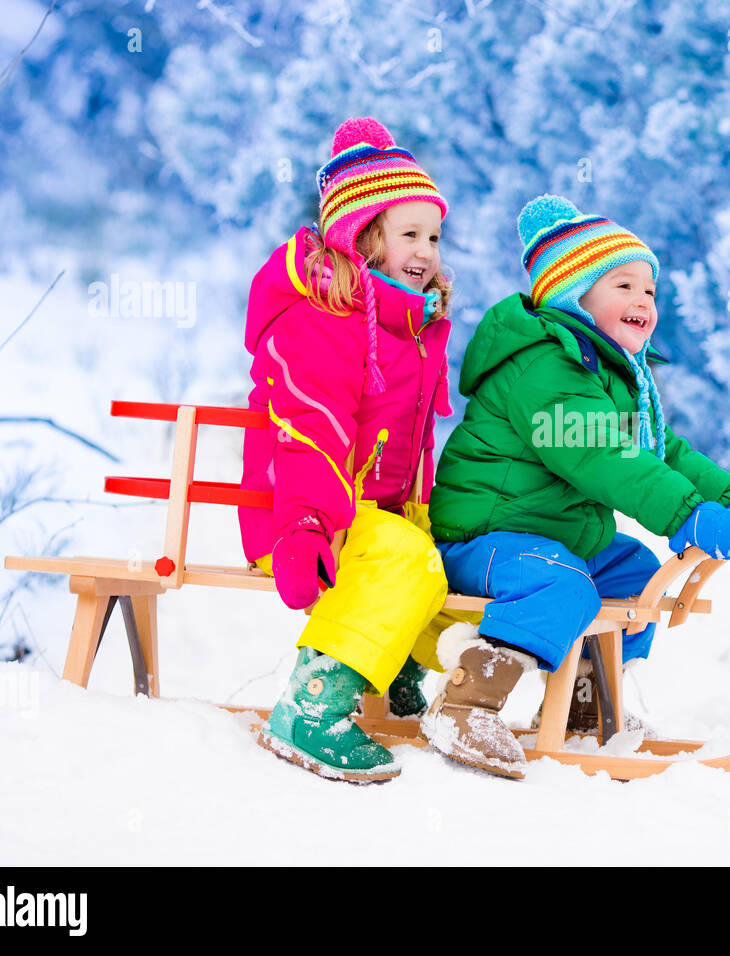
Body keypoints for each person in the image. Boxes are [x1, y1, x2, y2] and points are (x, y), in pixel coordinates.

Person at [421, 195, 730, 779]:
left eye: (650, 291)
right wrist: (688, 516)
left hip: (552, 534)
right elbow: (602, 457)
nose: (643, 302)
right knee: (564, 586)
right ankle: (466, 701)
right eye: (623, 286)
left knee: (632, 573)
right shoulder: (545, 366)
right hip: (488, 537)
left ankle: (587, 704)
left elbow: (662, 452)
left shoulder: (611, 374)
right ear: (573, 293)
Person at [237, 116, 475, 783]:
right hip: (299, 510)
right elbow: (307, 430)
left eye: (434, 235)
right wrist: (305, 522)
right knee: (405, 558)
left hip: (363, 511)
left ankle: (390, 666)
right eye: (409, 234)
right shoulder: (321, 317)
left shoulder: (411, 325)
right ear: (361, 237)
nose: (427, 250)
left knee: (438, 550)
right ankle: (311, 706)